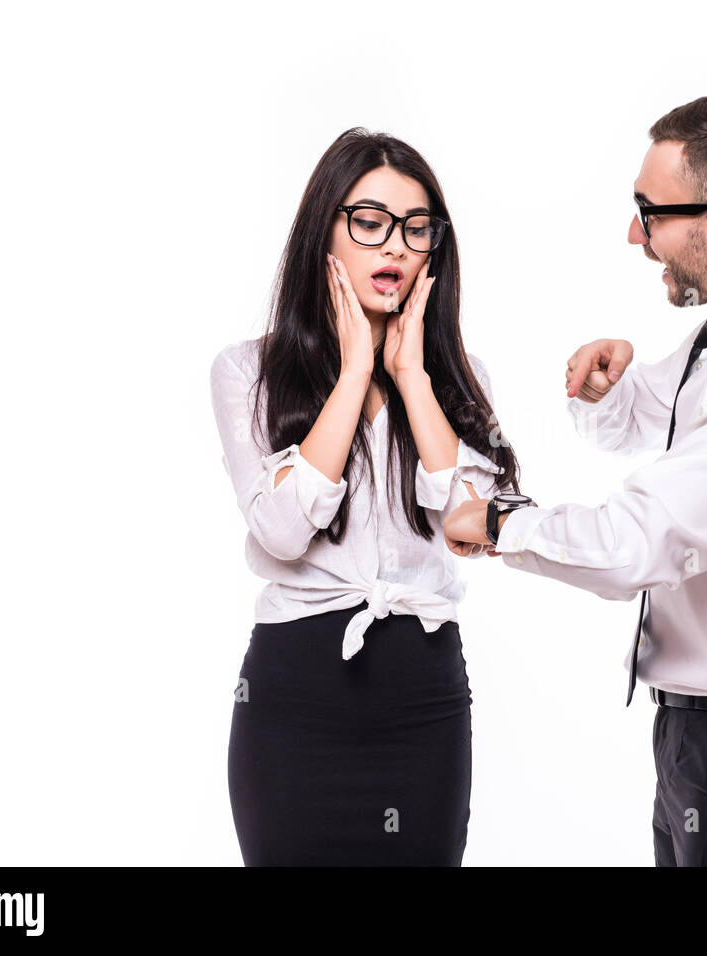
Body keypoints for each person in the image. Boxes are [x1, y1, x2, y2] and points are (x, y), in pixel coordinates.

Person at [444, 93, 707, 866]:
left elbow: (643, 543)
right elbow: (670, 422)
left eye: (651, 212)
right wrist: (615, 386)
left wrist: (503, 523)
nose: (635, 233)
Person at [210, 127, 520, 865]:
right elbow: (281, 532)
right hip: (293, 700)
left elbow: (472, 526)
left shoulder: (458, 376)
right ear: (326, 230)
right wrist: (352, 376)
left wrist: (412, 379)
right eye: (370, 222)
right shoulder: (246, 373)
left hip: (423, 699)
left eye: (417, 230)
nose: (395, 248)